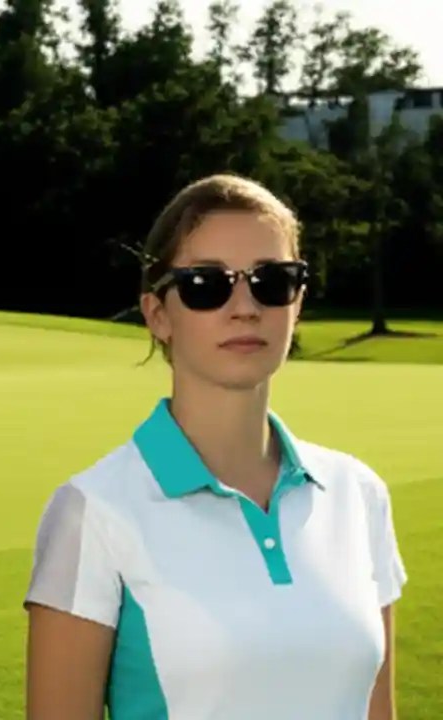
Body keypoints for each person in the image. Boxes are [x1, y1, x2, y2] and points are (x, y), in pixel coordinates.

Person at [23, 173, 407, 719]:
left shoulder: (358, 493)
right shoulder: (92, 513)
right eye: (207, 284)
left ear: (297, 302)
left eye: (272, 281)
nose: (245, 306)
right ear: (158, 314)